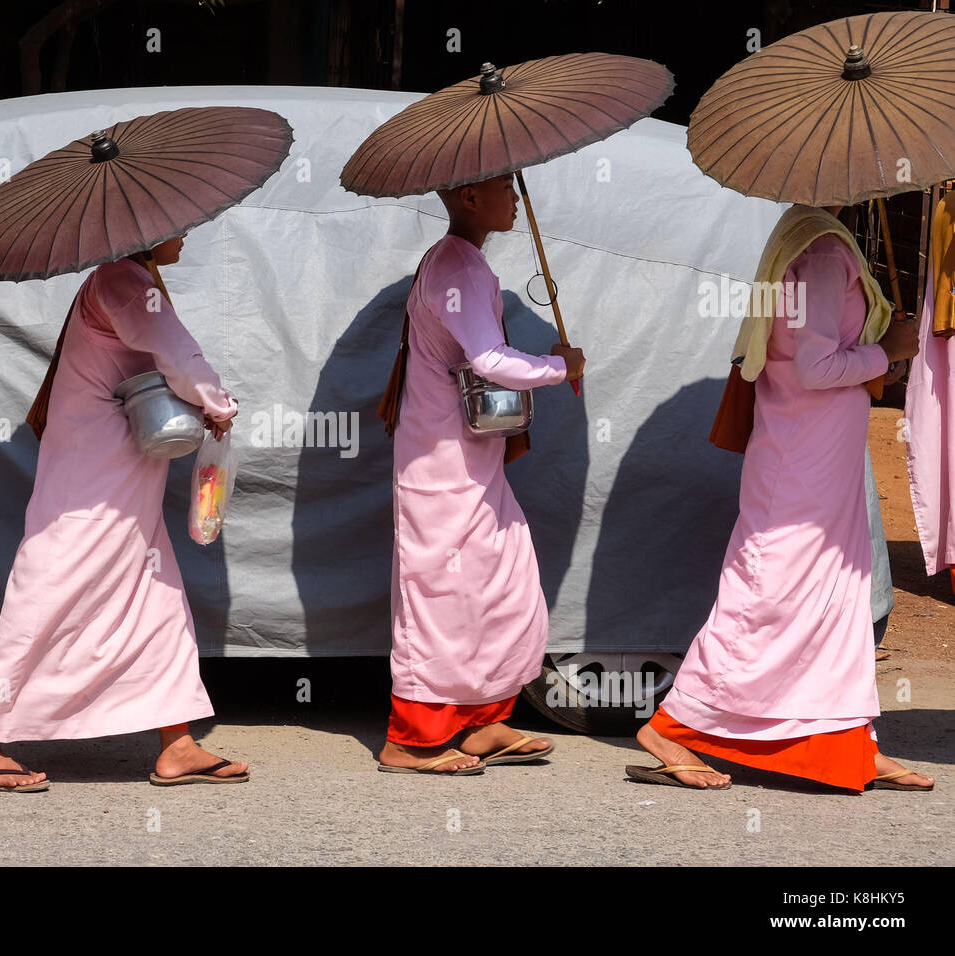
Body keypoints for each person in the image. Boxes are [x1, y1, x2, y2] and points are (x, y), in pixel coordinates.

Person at [628, 203, 933, 793]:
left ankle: (849, 741)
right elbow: (817, 368)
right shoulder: (821, 253)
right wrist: (888, 350)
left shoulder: (816, 240)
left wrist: (882, 354)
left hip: (817, 457)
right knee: (770, 594)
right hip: (803, 463)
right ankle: (675, 725)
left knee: (834, 595)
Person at [0, 233, 248, 791]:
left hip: (123, 478)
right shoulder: (123, 281)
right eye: (178, 223)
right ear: (149, 224)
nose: (186, 232)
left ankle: (176, 741)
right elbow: (178, 353)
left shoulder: (129, 279)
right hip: (92, 482)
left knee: (155, 600)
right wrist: (218, 402)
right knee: (54, 587)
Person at [379, 173, 585, 775]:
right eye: (506, 188)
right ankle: (410, 740)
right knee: (441, 596)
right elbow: (490, 360)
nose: (516, 199)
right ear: (469, 197)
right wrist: (558, 364)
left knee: (499, 583)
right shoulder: (459, 269)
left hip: (467, 459)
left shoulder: (457, 262)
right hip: (440, 464)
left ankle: (481, 721)